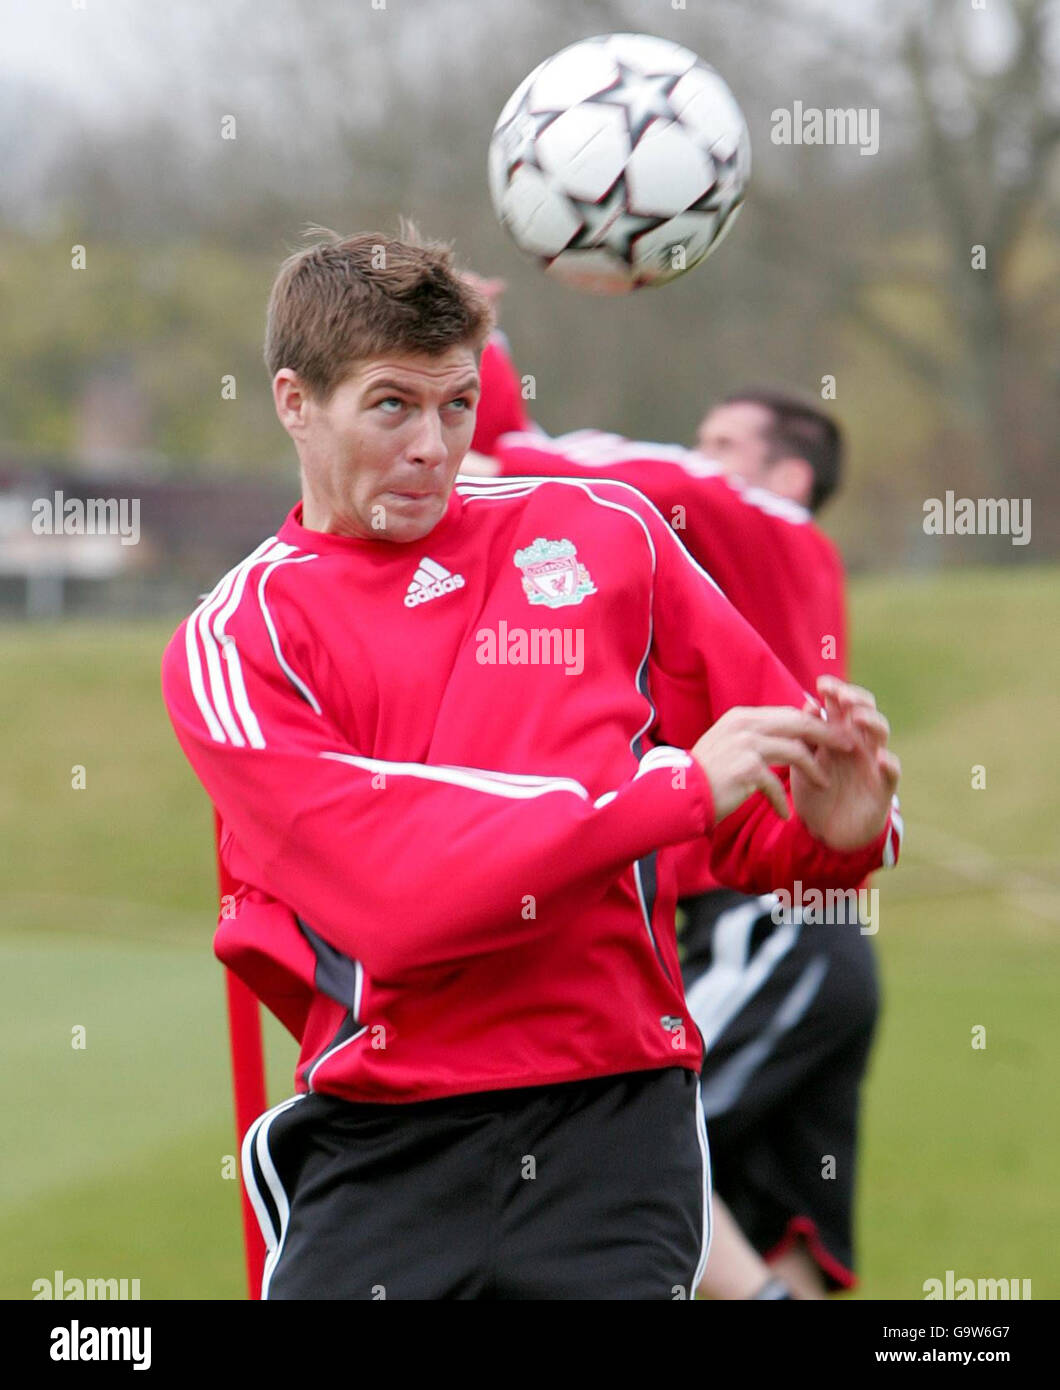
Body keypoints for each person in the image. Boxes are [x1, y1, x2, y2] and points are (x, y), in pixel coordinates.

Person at [160, 228, 901, 1301]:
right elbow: (392, 889)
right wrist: (667, 792)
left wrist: (835, 833)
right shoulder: (239, 638)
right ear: (293, 401)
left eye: (456, 404)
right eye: (390, 405)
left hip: (616, 1127)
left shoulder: (602, 536)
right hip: (386, 1142)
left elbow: (764, 809)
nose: (432, 444)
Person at [467, 323, 883, 1299]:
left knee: (601, 1144)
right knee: (772, 1217)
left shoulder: (769, 527)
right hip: (794, 935)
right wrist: (480, 356)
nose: (701, 461)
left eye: (724, 444)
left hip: (772, 929)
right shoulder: (738, 561)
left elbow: (595, 474)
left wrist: (496, 422)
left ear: (785, 476)